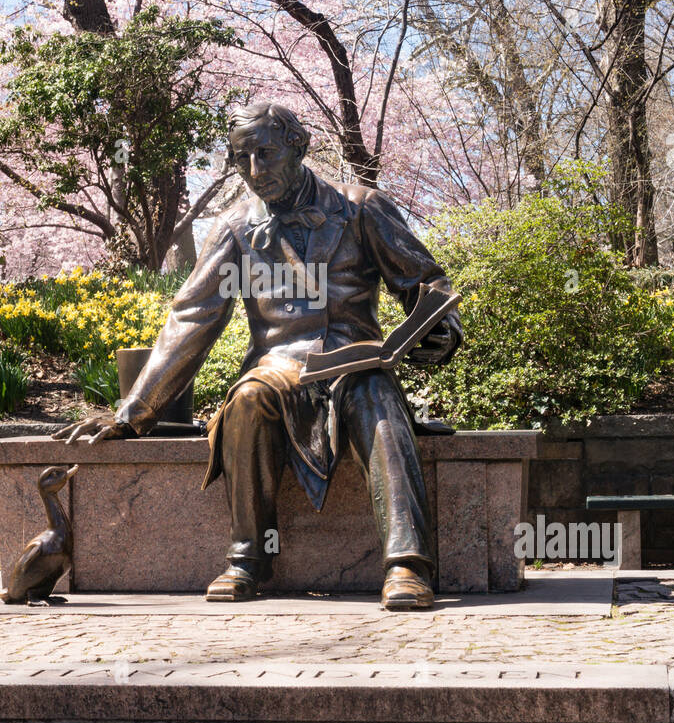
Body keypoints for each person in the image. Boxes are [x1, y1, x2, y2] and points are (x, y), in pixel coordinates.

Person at [58, 102, 462, 610]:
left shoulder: (361, 208)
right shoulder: (233, 228)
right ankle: (248, 558)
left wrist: (440, 329)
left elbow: (426, 282)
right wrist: (134, 412)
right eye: (242, 158)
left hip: (354, 362)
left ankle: (405, 564)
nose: (254, 171)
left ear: (300, 147)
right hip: (277, 367)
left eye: (266, 154)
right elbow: (192, 318)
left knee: (377, 400)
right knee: (246, 400)